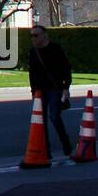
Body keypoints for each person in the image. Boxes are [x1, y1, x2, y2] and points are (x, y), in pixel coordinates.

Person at [28, 23, 73, 157]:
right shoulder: (33, 52)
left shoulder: (55, 49)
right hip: (39, 90)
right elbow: (32, 72)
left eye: (36, 35)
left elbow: (66, 68)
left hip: (54, 88)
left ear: (44, 36)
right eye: (31, 35)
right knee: (41, 121)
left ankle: (66, 144)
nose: (33, 38)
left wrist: (66, 87)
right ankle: (46, 151)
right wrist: (33, 91)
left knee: (54, 117)